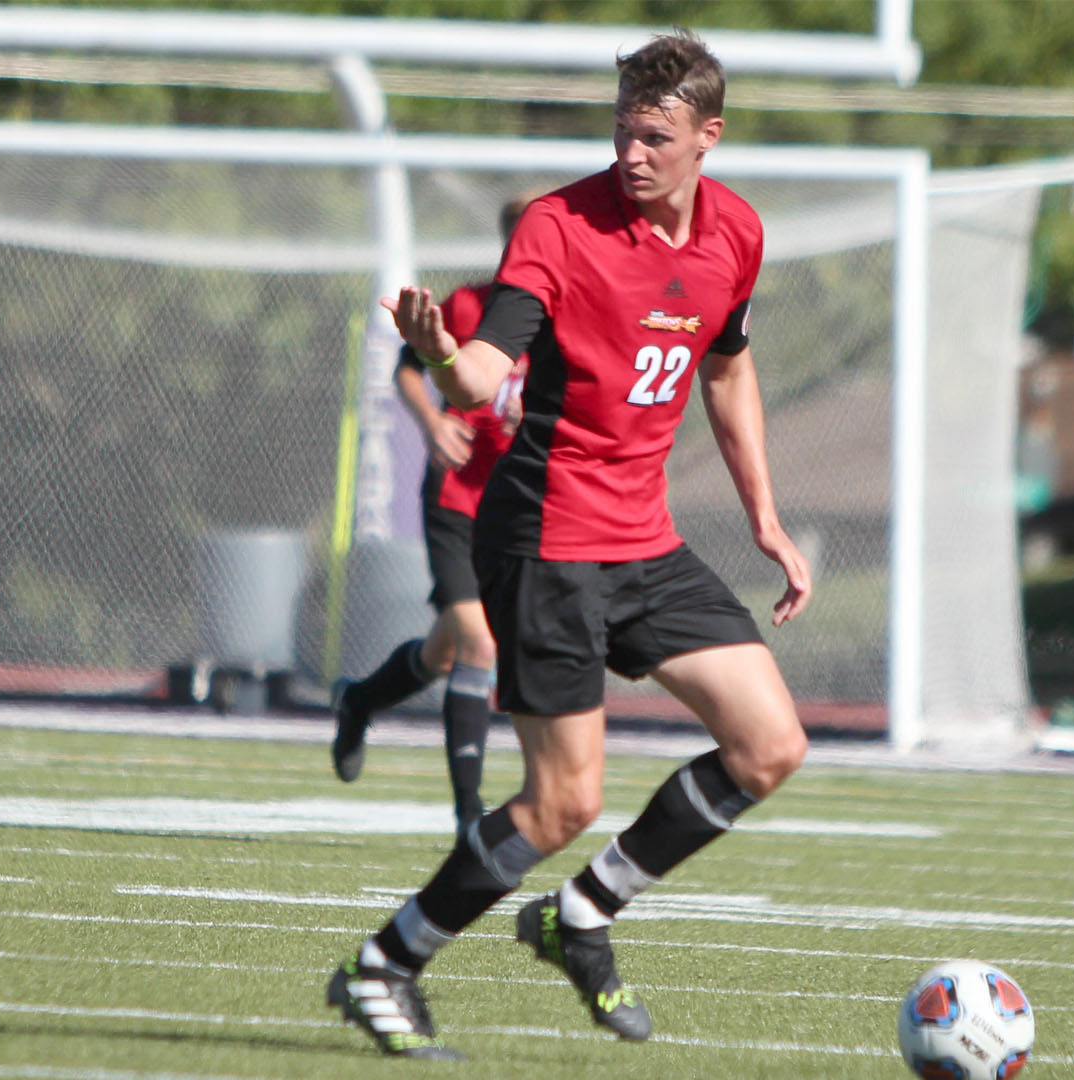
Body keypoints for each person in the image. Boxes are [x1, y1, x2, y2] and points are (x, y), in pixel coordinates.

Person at [326, 30, 812, 1060]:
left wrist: (764, 516)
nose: (631, 154)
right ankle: (385, 963)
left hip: (644, 539)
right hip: (545, 536)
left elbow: (727, 368)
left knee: (770, 745)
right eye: (622, 131)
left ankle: (582, 916)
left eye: (655, 136)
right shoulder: (556, 226)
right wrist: (441, 350)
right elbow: (478, 375)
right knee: (562, 802)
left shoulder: (737, 235)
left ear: (706, 139)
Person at [329, 193, 535, 840]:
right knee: (479, 644)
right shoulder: (471, 306)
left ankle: (360, 699)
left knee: (445, 651)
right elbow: (409, 370)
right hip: (455, 501)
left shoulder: (560, 319)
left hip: (517, 507)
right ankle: (469, 818)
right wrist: (432, 429)